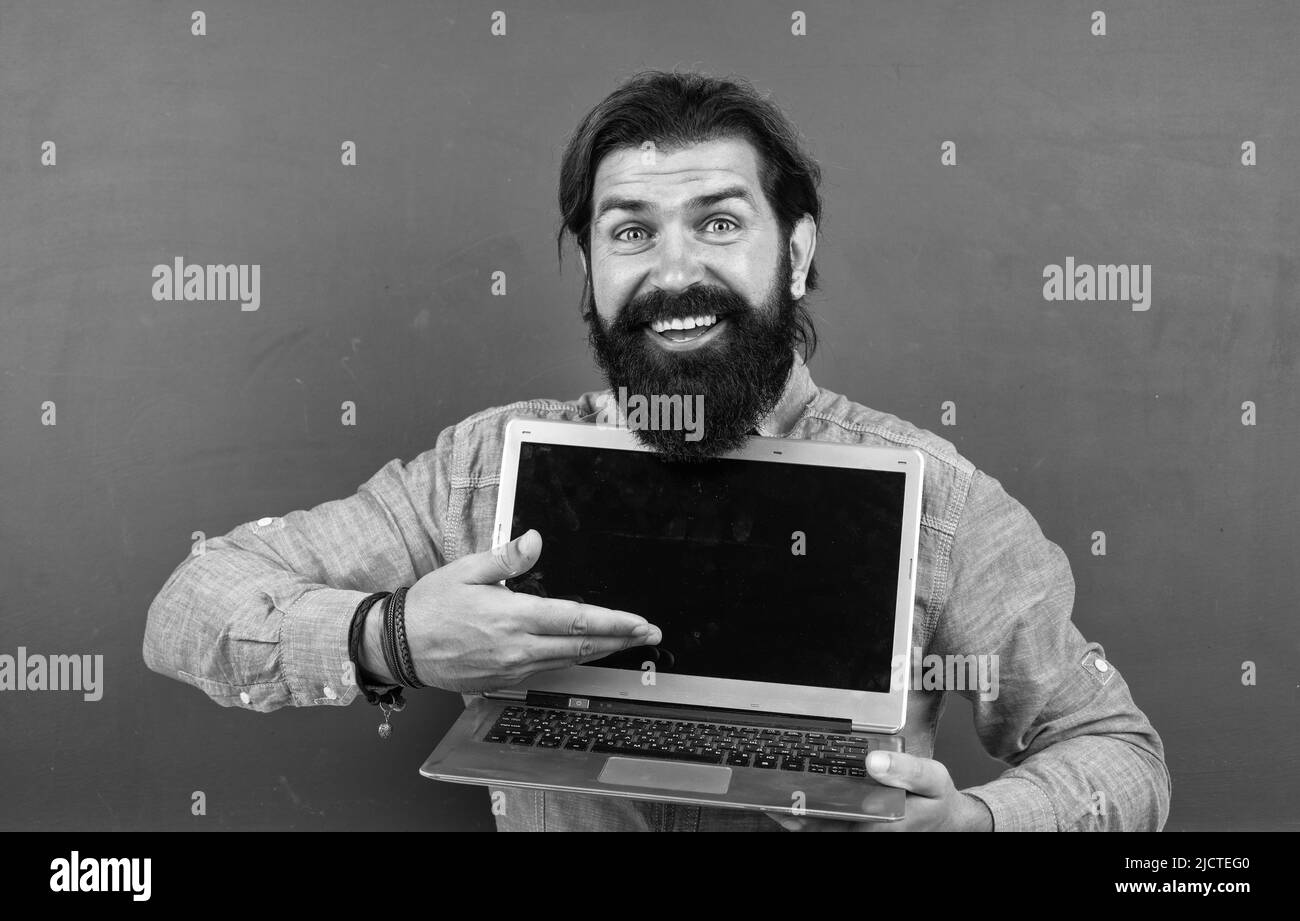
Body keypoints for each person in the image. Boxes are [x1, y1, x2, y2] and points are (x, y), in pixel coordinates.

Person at [144, 69, 1170, 832]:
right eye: (628, 232)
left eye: (718, 222)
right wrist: (394, 637)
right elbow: (191, 606)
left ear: (797, 250)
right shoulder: (481, 472)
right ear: (588, 263)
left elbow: (1116, 753)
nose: (673, 270)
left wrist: (975, 827)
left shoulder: (937, 500)